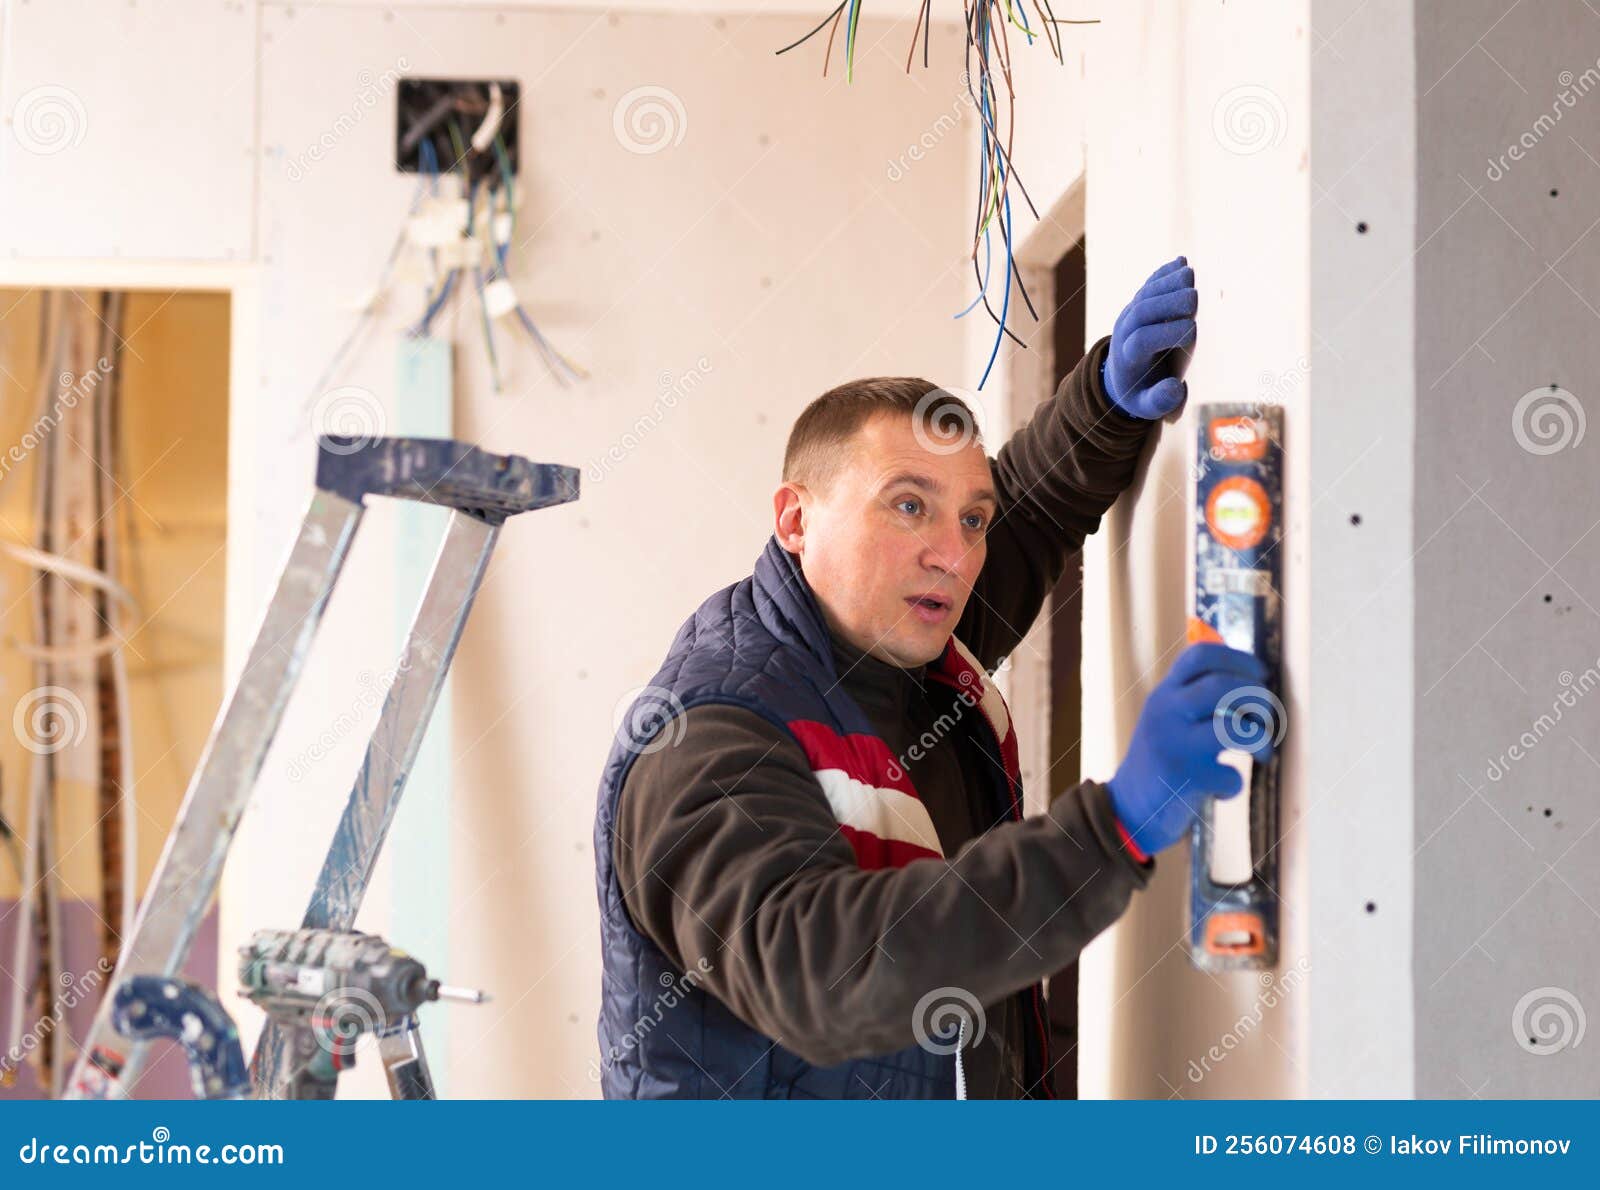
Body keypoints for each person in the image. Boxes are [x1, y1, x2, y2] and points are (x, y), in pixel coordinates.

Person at [592, 257, 1273, 1098]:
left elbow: (1024, 518)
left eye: (969, 519)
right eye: (907, 504)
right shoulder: (705, 730)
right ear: (797, 519)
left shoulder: (902, 649)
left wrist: (1102, 404)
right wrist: (1113, 828)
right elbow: (821, 976)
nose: (951, 554)